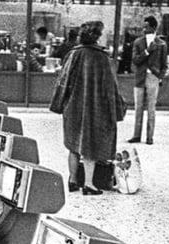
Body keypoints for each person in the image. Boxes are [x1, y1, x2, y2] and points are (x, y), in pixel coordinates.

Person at [49, 20, 126, 195]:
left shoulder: (73, 54)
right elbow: (110, 87)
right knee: (90, 145)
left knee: (73, 145)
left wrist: (59, 104)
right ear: (97, 37)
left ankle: (73, 180)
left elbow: (63, 81)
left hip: (73, 107)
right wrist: (118, 108)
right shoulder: (102, 57)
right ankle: (89, 184)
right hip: (95, 108)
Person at [128, 16, 168, 145]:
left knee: (151, 108)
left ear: (153, 27)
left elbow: (164, 64)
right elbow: (135, 60)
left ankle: (150, 137)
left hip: (153, 77)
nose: (144, 29)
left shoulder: (162, 44)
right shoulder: (138, 42)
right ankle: (136, 135)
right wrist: (147, 51)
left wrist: (160, 77)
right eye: (143, 27)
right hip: (140, 77)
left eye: (146, 27)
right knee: (138, 107)